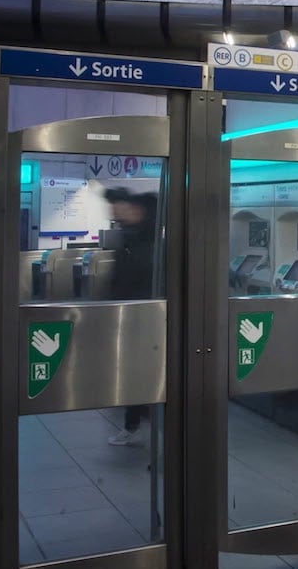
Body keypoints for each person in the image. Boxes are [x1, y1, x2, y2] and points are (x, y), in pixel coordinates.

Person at [103, 187, 159, 447]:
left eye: (120, 206)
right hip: (134, 313)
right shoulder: (132, 237)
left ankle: (134, 423)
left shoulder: (149, 241)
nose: (115, 212)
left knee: (139, 371)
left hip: (144, 315)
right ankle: (136, 420)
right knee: (137, 371)